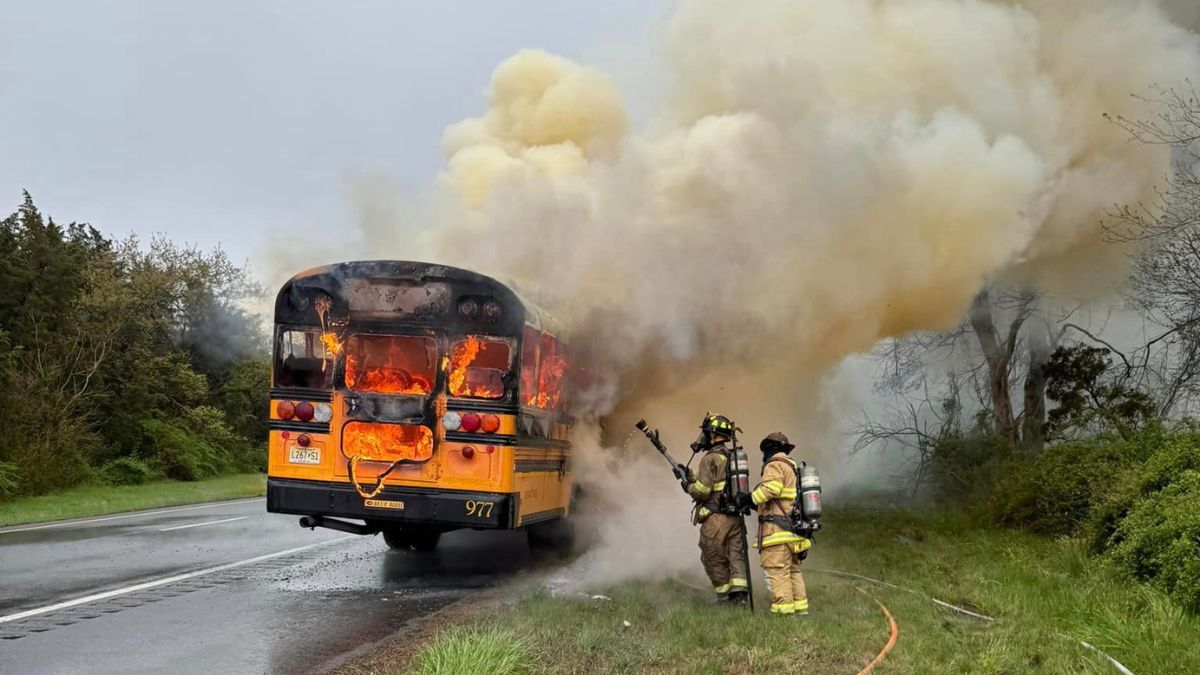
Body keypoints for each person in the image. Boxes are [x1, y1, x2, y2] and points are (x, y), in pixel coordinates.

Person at [680, 413, 749, 603]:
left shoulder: (709, 458)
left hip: (715, 519)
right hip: (735, 518)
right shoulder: (731, 457)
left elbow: (702, 491)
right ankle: (740, 597)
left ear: (713, 435)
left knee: (712, 557)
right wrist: (691, 474)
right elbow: (718, 479)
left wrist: (688, 486)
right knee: (735, 556)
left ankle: (725, 598)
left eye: (707, 433)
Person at [749, 432, 811, 616]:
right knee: (793, 571)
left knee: (777, 572)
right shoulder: (792, 468)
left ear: (769, 449)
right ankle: (800, 611)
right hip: (791, 532)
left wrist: (751, 499)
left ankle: (784, 616)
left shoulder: (774, 465)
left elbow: (771, 489)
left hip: (776, 532)